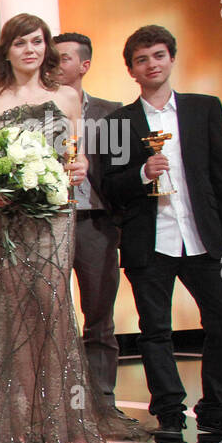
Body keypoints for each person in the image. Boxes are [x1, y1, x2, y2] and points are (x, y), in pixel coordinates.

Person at [0, 13, 125, 443]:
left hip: (54, 218)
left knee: (52, 313)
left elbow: (73, 160)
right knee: (10, 316)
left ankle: (60, 419)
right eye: (20, 43)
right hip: (4, 223)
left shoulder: (69, 98)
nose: (30, 50)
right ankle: (15, 421)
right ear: (7, 51)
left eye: (37, 41)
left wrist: (80, 168)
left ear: (47, 48)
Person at [100, 25, 222, 443]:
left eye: (158, 55)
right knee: (155, 329)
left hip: (206, 237)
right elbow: (110, 187)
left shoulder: (204, 109)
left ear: (171, 58)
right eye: (142, 59)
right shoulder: (118, 122)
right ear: (131, 70)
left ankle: (216, 410)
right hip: (148, 241)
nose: (151, 64)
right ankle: (169, 412)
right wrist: (141, 174)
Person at [55, 32, 128, 421]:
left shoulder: (108, 112)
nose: (55, 64)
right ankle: (60, 405)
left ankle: (103, 401)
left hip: (94, 222)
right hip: (47, 221)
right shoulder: (37, 110)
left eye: (64, 58)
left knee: (99, 314)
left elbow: (118, 170)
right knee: (50, 315)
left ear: (84, 65)